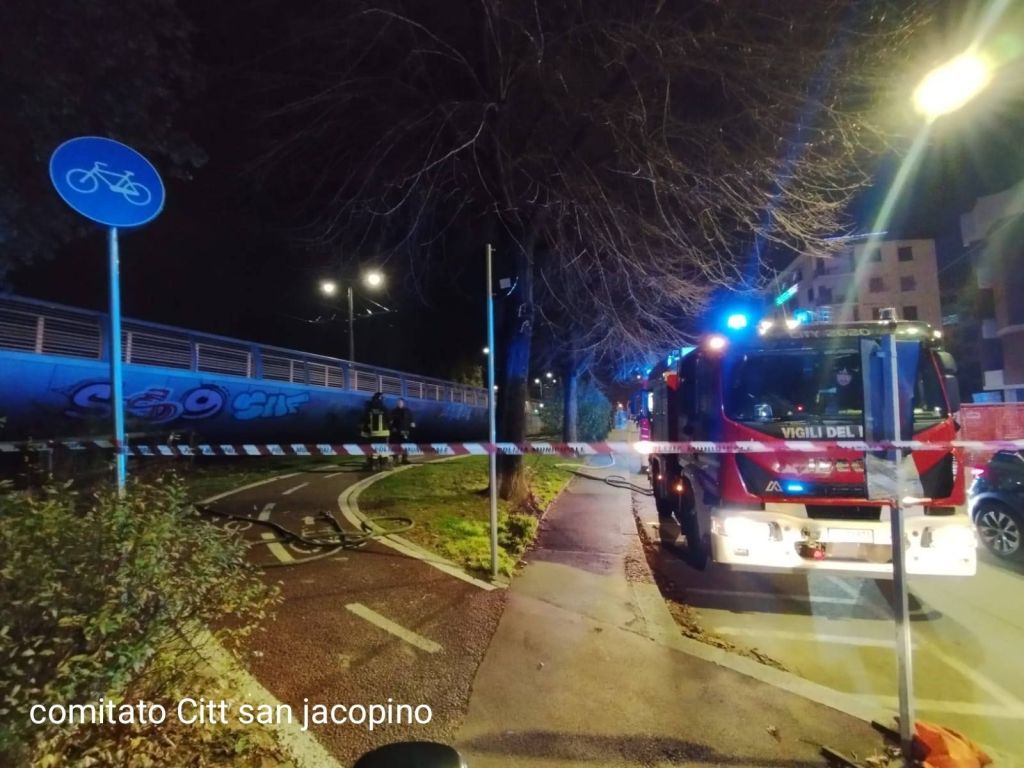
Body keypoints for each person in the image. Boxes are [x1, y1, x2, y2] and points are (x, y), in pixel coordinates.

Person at [361, 392, 390, 470]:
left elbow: (365, 419)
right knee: (384, 449)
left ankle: (374, 465)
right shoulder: (383, 407)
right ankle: (384, 465)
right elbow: (388, 418)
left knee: (374, 449)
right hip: (384, 432)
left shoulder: (369, 408)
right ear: (380, 398)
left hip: (373, 432)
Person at [389, 398, 416, 464]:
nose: (399, 403)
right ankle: (395, 459)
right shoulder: (394, 411)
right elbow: (390, 421)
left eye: (400, 402)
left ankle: (404, 459)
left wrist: (412, 423)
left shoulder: (408, 411)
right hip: (396, 431)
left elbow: (411, 419)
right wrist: (392, 428)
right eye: (398, 402)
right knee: (396, 445)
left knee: (405, 445)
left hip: (405, 431)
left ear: (403, 403)